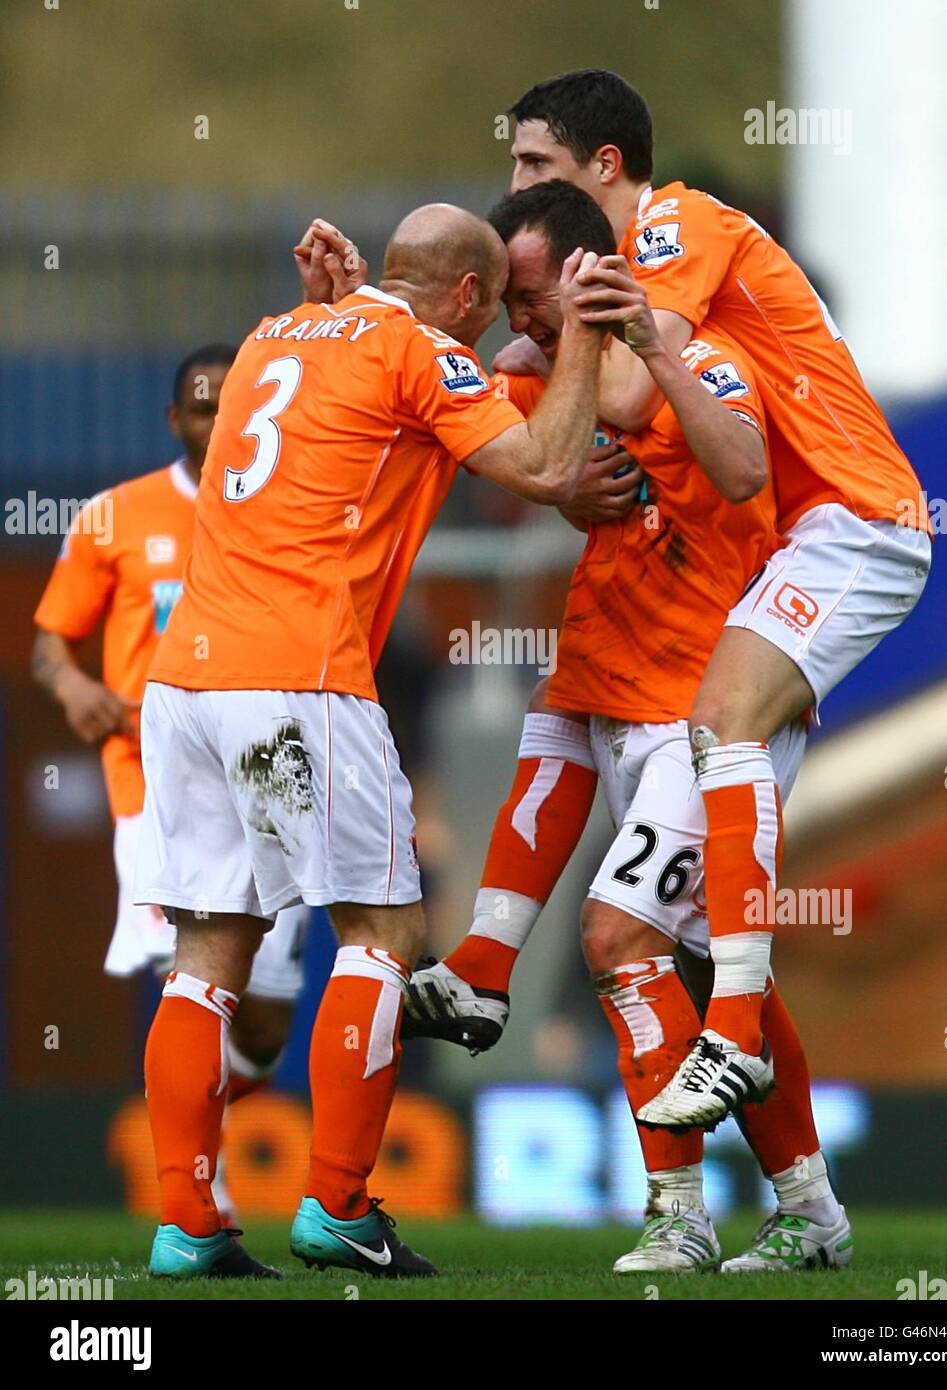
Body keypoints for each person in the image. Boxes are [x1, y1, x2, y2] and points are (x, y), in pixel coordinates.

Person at [133, 203, 607, 1280]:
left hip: (188, 675)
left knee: (207, 952)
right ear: (468, 300)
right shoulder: (422, 349)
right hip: (297, 675)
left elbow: (339, 403)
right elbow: (539, 462)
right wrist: (578, 330)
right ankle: (339, 1203)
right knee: (383, 927)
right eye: (491, 314)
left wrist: (345, 307)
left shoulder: (271, 334)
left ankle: (186, 1223)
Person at [406, 181, 850, 1274]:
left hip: (703, 708)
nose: (515, 320)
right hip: (610, 682)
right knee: (695, 965)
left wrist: (628, 362)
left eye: (526, 295)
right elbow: (482, 408)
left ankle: (677, 1214)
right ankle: (810, 1210)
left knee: (618, 938)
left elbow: (740, 463)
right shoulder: (547, 366)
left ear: (587, 278)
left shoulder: (693, 360)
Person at [502, 69, 931, 1126]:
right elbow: (617, 426)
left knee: (717, 726)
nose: (515, 180)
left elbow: (635, 390)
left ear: (605, 168)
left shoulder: (671, 227)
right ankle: (807, 1211)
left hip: (850, 517)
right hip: (795, 546)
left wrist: (491, 364)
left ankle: (729, 1036)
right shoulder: (625, 273)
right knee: (687, 930)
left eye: (534, 164)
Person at [31, 345, 311, 1223]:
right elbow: (50, 642)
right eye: (199, 407)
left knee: (262, 1019)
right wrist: (74, 686)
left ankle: (197, 1127)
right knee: (186, 978)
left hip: (266, 780)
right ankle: (196, 1191)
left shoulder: (290, 512)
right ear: (173, 420)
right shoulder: (116, 517)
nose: (214, 421)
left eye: (230, 406)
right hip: (146, 790)